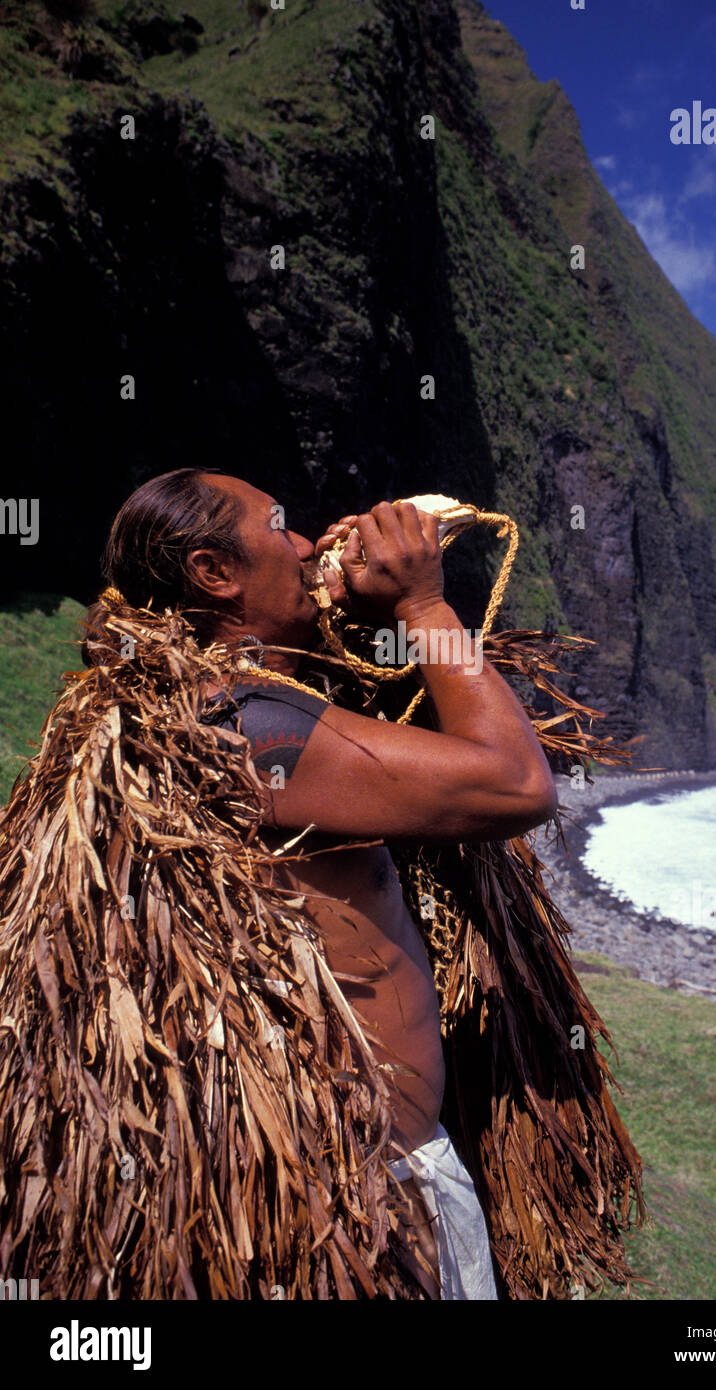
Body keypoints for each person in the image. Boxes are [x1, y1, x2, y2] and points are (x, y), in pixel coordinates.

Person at [97, 467, 558, 1300]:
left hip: (366, 1177)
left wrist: (367, 613)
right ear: (214, 573)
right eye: (281, 528)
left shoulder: (249, 707)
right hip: (370, 1206)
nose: (309, 543)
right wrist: (423, 607)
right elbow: (514, 782)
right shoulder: (246, 724)